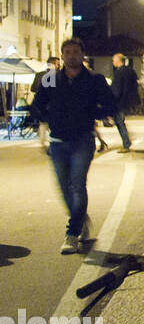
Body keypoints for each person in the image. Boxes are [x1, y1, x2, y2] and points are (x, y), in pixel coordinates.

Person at [28, 38, 119, 253]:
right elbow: (36, 105)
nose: (71, 56)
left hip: (82, 140)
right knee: (63, 188)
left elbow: (111, 105)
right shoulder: (50, 79)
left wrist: (92, 114)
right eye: (67, 52)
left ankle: (72, 234)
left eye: (75, 52)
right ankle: (80, 219)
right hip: (58, 141)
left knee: (77, 185)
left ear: (82, 54)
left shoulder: (94, 80)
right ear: (62, 55)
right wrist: (49, 117)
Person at [108, 53, 138, 151]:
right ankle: (127, 141)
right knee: (121, 121)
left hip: (119, 102)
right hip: (128, 100)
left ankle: (126, 143)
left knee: (119, 122)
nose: (113, 62)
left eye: (113, 60)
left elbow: (116, 89)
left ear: (118, 61)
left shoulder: (119, 72)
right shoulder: (131, 71)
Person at [31, 55, 59, 151]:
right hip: (52, 105)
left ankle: (43, 143)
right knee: (53, 125)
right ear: (54, 64)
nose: (58, 66)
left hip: (41, 104)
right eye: (57, 64)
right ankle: (52, 144)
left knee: (43, 124)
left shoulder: (39, 74)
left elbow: (33, 88)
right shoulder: (56, 75)